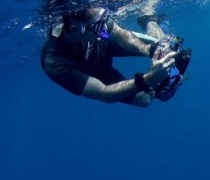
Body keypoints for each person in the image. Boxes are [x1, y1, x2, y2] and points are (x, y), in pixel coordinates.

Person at [41, 7, 190, 107]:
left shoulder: (94, 21)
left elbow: (119, 34)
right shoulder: (55, 61)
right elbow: (104, 93)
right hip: (94, 72)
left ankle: (147, 18)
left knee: (160, 45)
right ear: (75, 30)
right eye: (99, 27)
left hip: (103, 47)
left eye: (105, 21)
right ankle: (158, 87)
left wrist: (149, 50)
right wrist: (148, 79)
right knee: (144, 100)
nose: (105, 29)